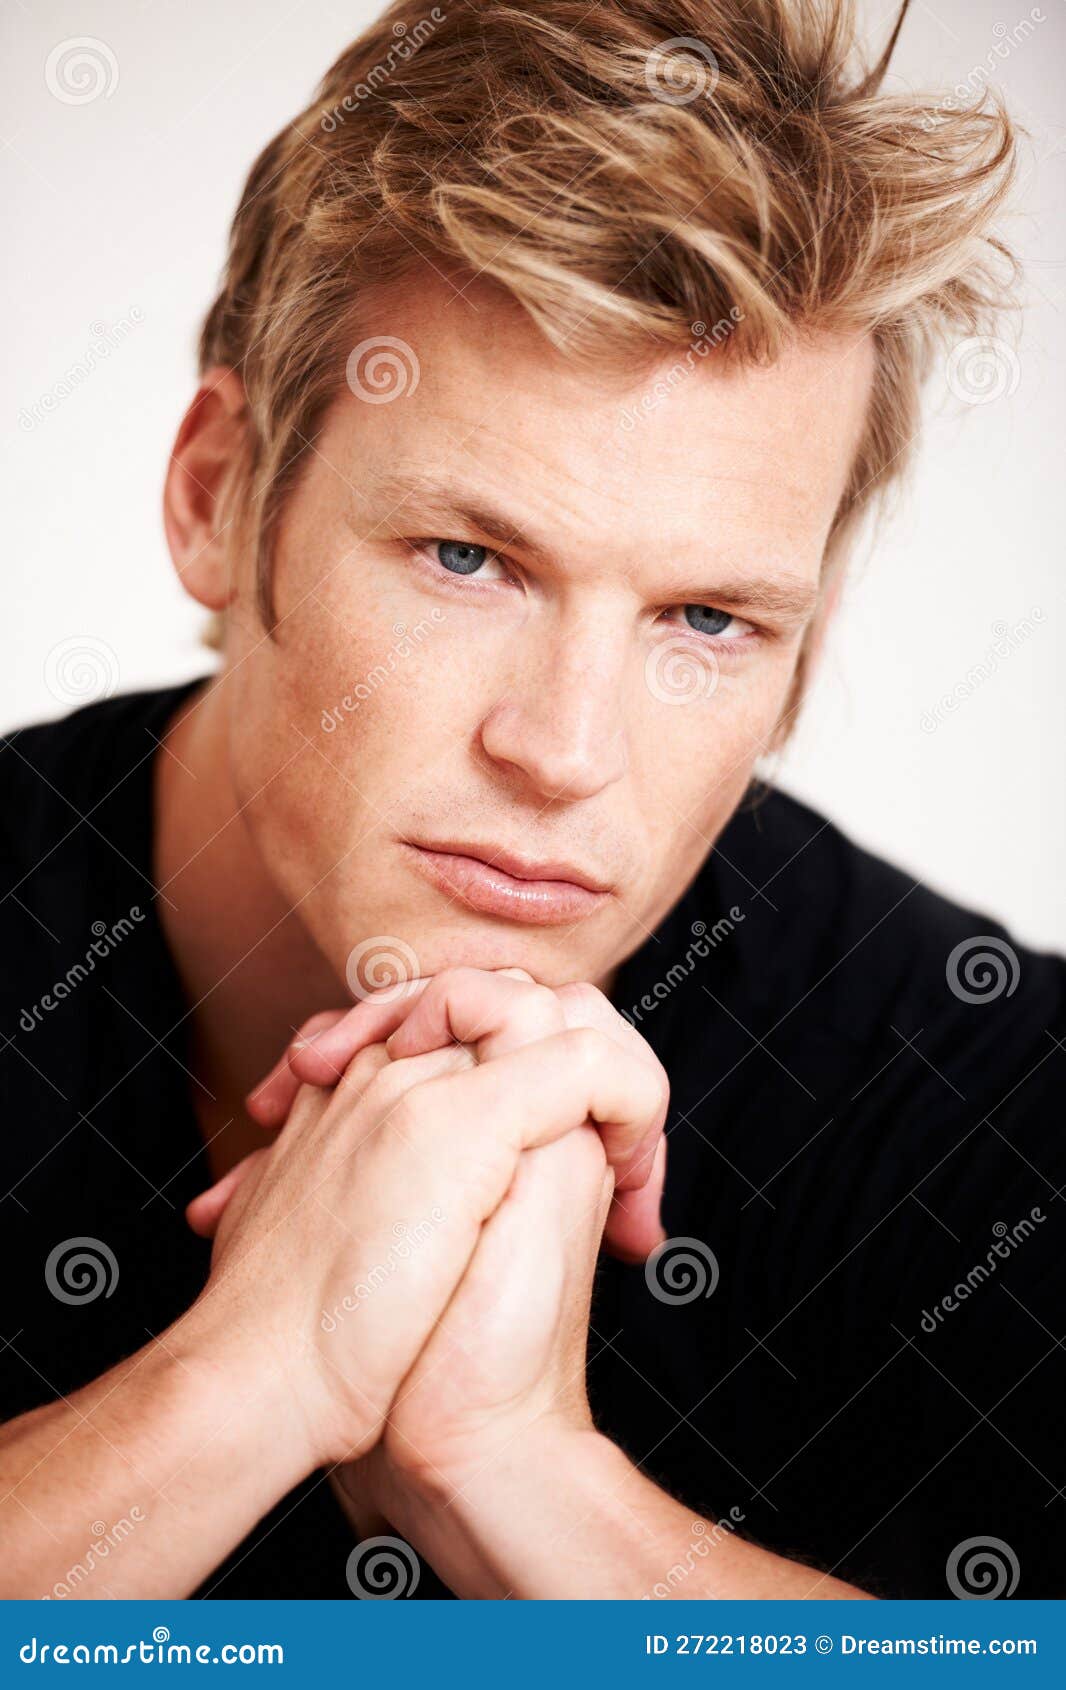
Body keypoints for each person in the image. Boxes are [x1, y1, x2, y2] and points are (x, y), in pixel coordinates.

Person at [2, 0, 1062, 1602]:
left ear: (800, 653)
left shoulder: (979, 1097)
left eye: (707, 620)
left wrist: (516, 1476)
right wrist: (246, 1380)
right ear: (221, 496)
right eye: (467, 558)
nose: (565, 751)